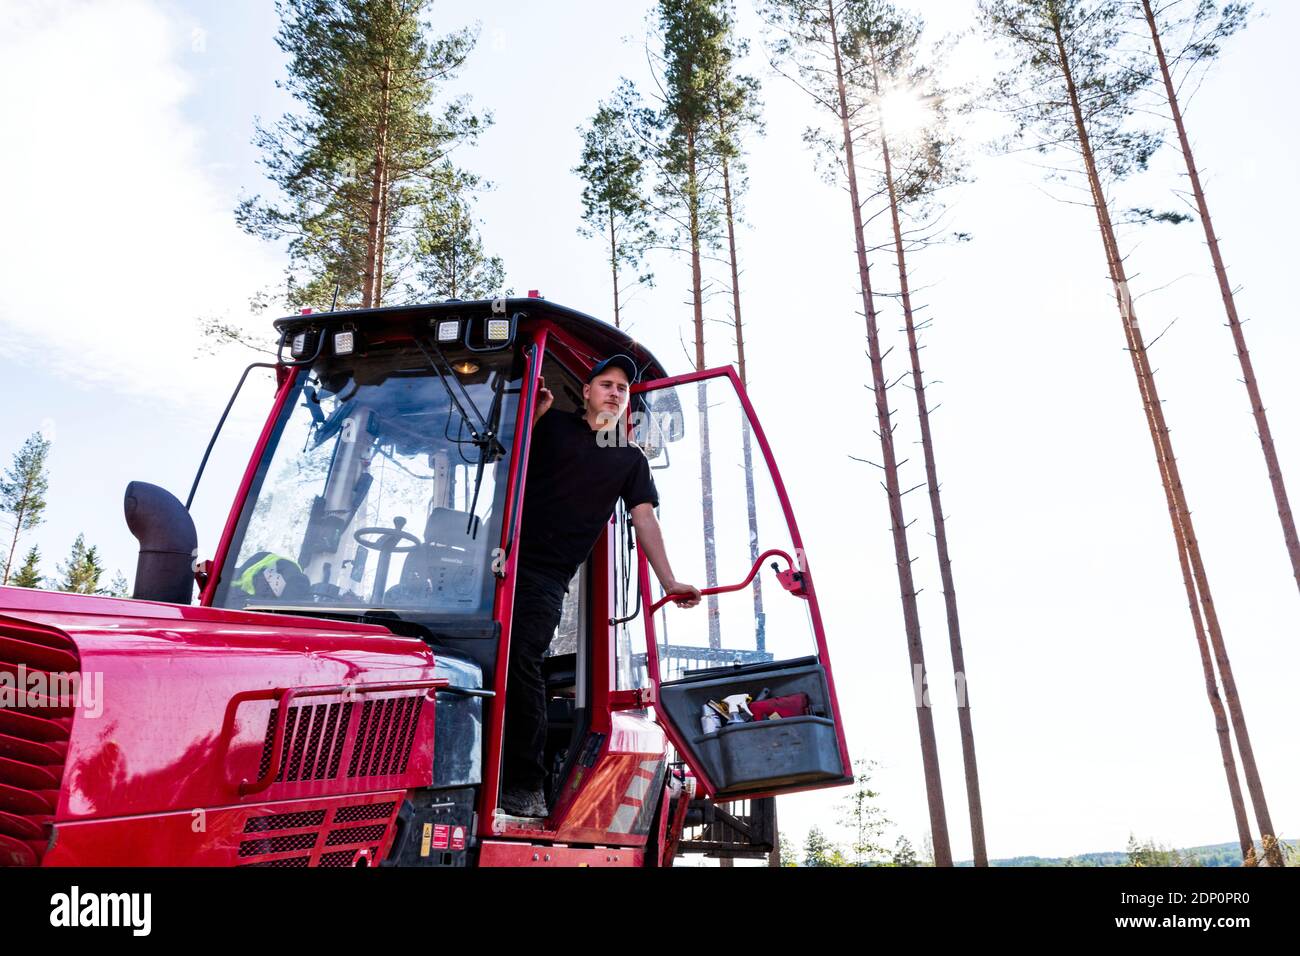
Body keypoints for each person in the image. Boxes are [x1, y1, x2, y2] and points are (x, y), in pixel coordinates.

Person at [500, 353, 701, 818]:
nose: (613, 391)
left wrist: (669, 580)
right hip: (500, 559)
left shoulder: (628, 460)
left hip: (546, 574)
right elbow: (505, 466)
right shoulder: (551, 429)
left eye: (621, 388)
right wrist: (532, 418)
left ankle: (525, 784)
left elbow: (644, 520)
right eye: (605, 384)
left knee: (521, 658)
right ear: (587, 392)